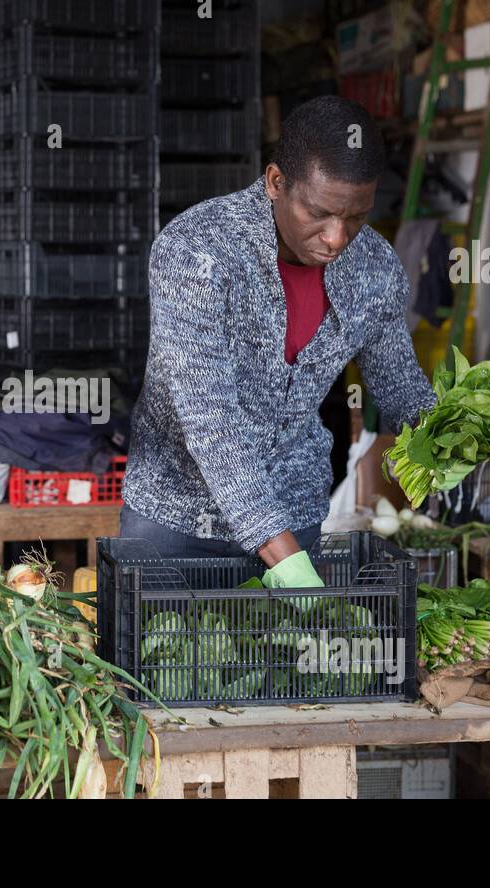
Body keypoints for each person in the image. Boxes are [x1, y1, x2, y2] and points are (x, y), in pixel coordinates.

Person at [122, 95, 436, 587]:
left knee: (279, 663)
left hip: (296, 512)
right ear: (275, 182)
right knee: (165, 658)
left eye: (356, 216)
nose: (336, 237)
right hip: (177, 519)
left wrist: (451, 431)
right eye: (321, 213)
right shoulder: (198, 250)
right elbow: (210, 419)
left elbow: (399, 388)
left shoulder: (374, 267)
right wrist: (281, 552)